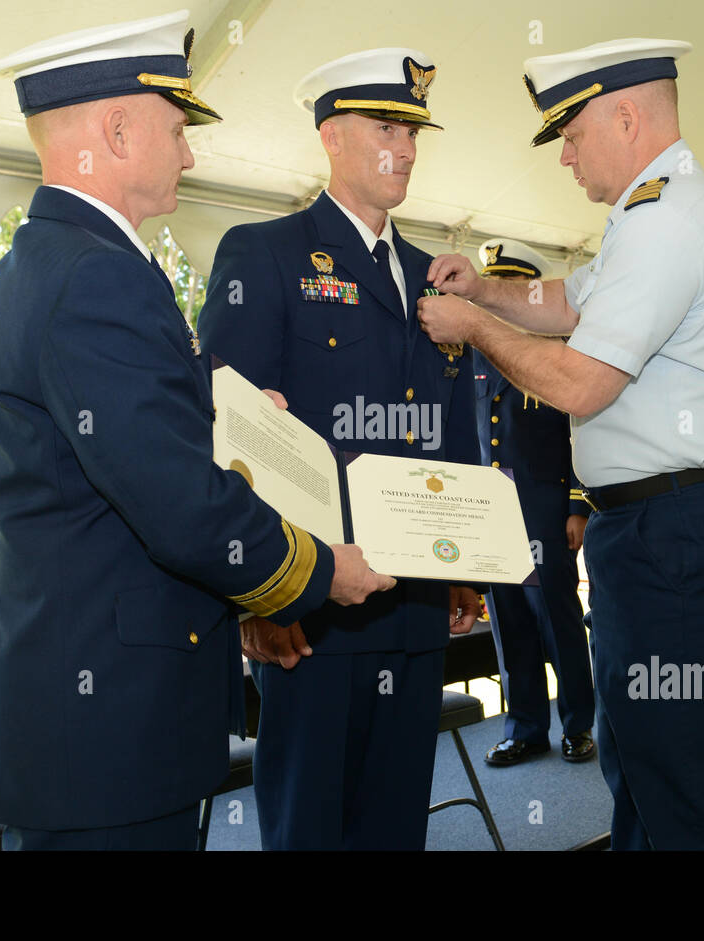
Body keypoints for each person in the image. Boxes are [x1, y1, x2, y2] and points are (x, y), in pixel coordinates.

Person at [0, 11, 393, 851]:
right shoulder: (95, 278)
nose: (189, 152)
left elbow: (125, 441)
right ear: (117, 131)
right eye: (178, 128)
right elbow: (181, 502)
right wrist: (319, 569)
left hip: (87, 716)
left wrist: (232, 416)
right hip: (104, 729)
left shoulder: (56, 260)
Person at [417, 38, 704, 850]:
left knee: (681, 776)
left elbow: (580, 383)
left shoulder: (665, 223)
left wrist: (473, 326)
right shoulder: (644, 213)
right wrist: (488, 291)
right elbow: (566, 299)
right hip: (657, 529)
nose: (567, 158)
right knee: (641, 761)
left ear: (625, 114)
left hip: (677, 533)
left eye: (572, 135)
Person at [197, 47, 482, 850]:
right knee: (308, 828)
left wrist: (461, 558)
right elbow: (230, 438)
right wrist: (257, 592)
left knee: (395, 828)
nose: (407, 147)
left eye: (414, 131)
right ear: (330, 134)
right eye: (387, 125)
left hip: (417, 602)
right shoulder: (266, 254)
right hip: (310, 610)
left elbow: (451, 425)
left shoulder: (434, 275)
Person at [468, 238, 596, 767]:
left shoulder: (561, 351)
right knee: (508, 617)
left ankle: (578, 724)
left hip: (545, 505)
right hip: (489, 512)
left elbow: (583, 431)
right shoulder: (470, 354)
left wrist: (577, 504)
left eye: (511, 292)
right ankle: (524, 728)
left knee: (556, 618)